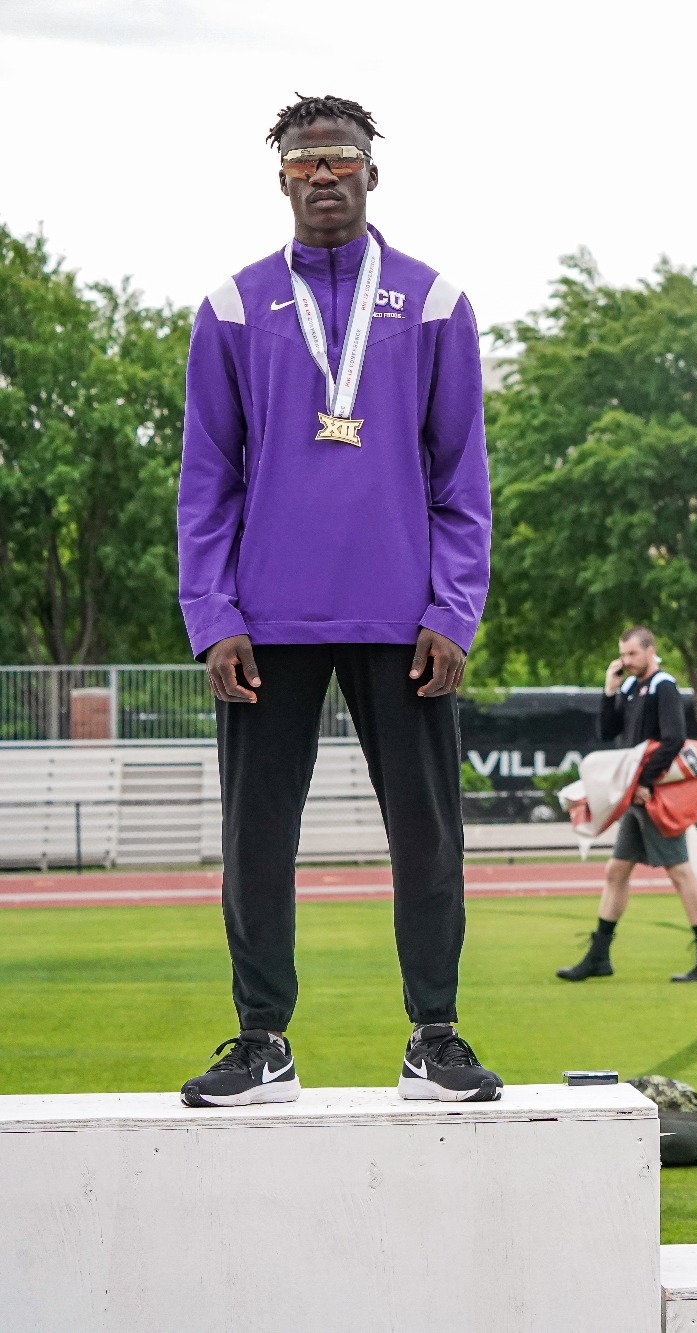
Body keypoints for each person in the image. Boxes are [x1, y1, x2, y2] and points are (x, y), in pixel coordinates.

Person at [177, 95, 501, 1106]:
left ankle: (435, 1036)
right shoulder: (232, 309)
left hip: (404, 619)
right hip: (266, 620)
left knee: (428, 833)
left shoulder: (435, 303)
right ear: (280, 177)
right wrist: (213, 614)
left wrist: (452, 611)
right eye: (305, 162)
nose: (324, 176)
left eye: (342, 160)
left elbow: (462, 480)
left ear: (372, 173)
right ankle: (259, 1039)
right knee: (257, 837)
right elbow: (205, 482)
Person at [556, 627, 697, 983]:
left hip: (652, 797)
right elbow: (607, 733)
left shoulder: (664, 685)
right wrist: (609, 690)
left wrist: (645, 783)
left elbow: (674, 739)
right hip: (635, 797)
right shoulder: (632, 687)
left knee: (680, 872)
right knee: (616, 872)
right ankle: (599, 957)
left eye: (632, 654)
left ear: (651, 650)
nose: (626, 661)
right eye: (623, 655)